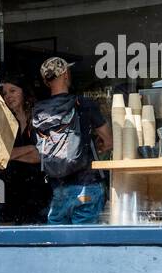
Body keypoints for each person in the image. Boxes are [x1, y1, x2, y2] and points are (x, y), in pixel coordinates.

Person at [31, 57, 112, 224]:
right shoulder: (83, 104)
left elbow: (39, 150)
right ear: (66, 74)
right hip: (86, 186)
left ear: (46, 81)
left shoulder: (40, 112)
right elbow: (109, 140)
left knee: (57, 244)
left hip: (58, 190)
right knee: (85, 245)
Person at [0, 75, 51, 224]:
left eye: (12, 91)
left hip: (37, 190)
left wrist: (11, 154)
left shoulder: (39, 117)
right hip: (12, 189)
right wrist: (30, 148)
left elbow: (41, 155)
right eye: (5, 93)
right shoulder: (8, 122)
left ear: (24, 92)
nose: (8, 96)